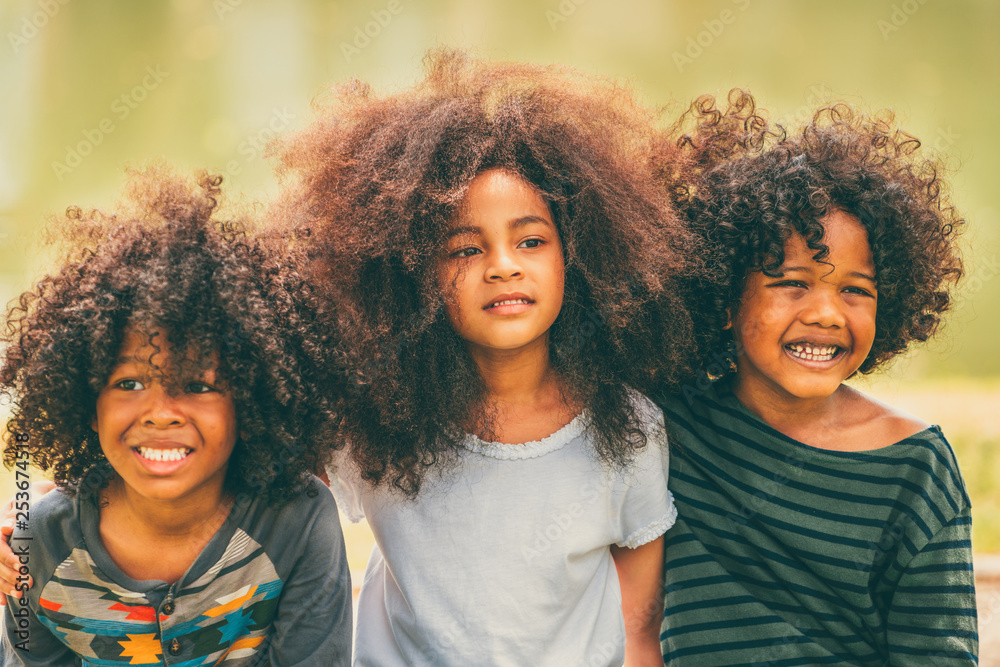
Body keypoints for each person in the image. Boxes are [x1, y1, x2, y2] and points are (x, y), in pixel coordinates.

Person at [274, 49, 702, 666]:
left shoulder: (627, 429)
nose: (503, 265)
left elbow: (640, 628)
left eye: (530, 240)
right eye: (465, 249)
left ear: (576, 257)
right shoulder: (372, 421)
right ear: (413, 275)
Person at [656, 91, 977, 665]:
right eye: (792, 282)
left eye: (856, 290)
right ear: (725, 296)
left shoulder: (915, 465)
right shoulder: (670, 424)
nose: (828, 313)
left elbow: (938, 652)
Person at [0, 167, 352, 665]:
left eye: (198, 386)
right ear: (87, 406)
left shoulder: (296, 519)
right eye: (129, 383)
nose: (161, 413)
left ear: (249, 404)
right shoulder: (42, 542)